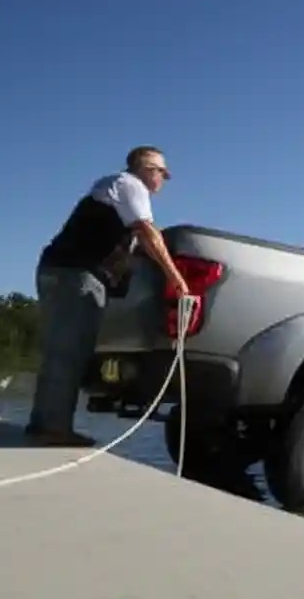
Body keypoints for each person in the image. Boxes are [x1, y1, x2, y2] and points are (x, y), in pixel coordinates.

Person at [26, 145, 190, 446]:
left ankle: (43, 423)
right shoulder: (130, 184)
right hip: (74, 274)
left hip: (57, 270)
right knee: (71, 352)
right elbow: (147, 231)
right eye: (162, 171)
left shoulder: (112, 190)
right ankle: (53, 429)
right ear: (146, 169)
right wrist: (175, 277)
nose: (164, 179)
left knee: (59, 351)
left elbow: (126, 248)